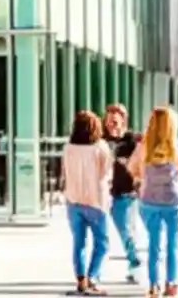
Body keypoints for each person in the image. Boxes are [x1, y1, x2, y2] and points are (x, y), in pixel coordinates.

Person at [132, 107, 178, 297]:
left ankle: (153, 286)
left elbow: (132, 168)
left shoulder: (144, 147)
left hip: (149, 200)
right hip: (173, 201)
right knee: (173, 245)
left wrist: (143, 180)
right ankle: (171, 283)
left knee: (153, 245)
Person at [61, 111, 112, 296]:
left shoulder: (68, 148)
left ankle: (81, 280)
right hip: (96, 201)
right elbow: (106, 174)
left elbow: (65, 172)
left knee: (79, 243)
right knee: (102, 243)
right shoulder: (101, 147)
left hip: (74, 200)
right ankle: (93, 278)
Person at [103, 105, 142, 283]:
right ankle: (95, 270)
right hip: (104, 192)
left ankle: (135, 262)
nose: (111, 124)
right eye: (108, 120)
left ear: (123, 121)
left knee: (125, 229)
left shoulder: (131, 141)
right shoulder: (102, 140)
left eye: (115, 121)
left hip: (126, 193)